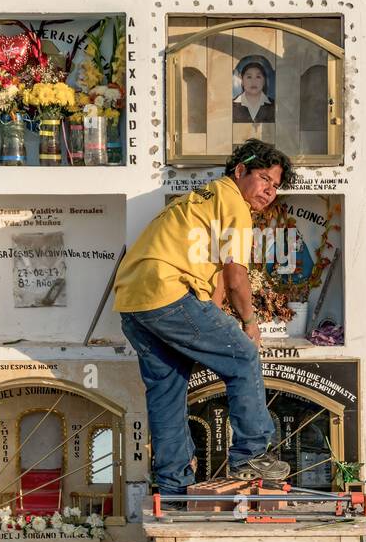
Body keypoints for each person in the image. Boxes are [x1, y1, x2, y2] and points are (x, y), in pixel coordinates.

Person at [115, 139, 293, 498]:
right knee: (243, 356)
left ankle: (173, 487)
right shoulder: (233, 204)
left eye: (275, 187)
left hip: (133, 303)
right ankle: (252, 453)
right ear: (239, 171)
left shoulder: (199, 201)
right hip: (168, 294)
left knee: (167, 391)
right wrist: (248, 323)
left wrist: (215, 319)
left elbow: (211, 287)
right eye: (263, 179)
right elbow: (236, 276)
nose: (269, 192)